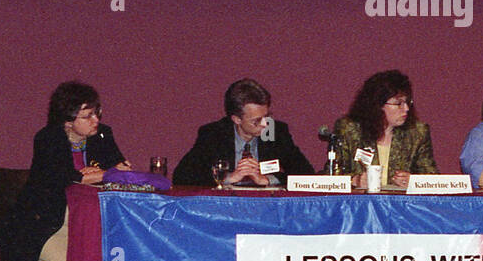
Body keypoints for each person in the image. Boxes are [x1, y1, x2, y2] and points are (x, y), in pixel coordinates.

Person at [3, 81, 130, 261]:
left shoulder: (103, 134)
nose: (95, 120)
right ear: (68, 121)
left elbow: (123, 170)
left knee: (93, 260)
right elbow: (65, 177)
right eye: (87, 116)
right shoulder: (48, 138)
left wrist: (102, 173)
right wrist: (101, 174)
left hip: (84, 219)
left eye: (97, 113)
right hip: (44, 221)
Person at [173, 78, 314, 187]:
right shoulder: (215, 134)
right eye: (256, 121)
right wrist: (228, 178)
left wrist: (266, 179)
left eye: (267, 116)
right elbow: (182, 176)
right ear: (236, 119)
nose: (265, 124)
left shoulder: (273, 131)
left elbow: (306, 174)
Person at [331, 70, 438, 189]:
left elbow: (432, 177)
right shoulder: (349, 130)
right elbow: (331, 175)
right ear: (378, 105)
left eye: (407, 102)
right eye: (399, 103)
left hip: (401, 205)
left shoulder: (417, 132)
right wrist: (355, 180)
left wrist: (414, 181)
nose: (406, 108)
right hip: (360, 205)